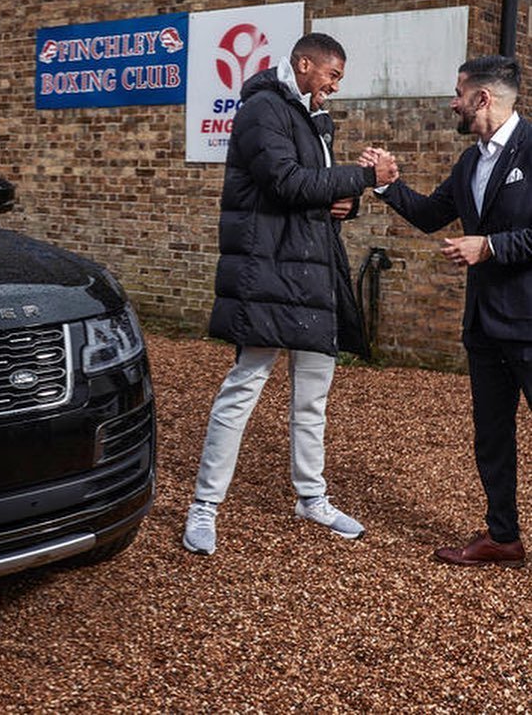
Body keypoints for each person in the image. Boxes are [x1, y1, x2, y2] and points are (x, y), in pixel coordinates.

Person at [183, 32, 399, 555]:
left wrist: (350, 202)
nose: (335, 87)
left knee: (313, 396)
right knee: (244, 387)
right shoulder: (263, 109)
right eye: (332, 75)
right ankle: (204, 506)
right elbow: (285, 183)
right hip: (269, 272)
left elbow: (317, 193)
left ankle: (312, 497)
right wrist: (363, 176)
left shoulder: (314, 116)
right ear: (304, 64)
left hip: (313, 271)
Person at [365, 55, 532, 567]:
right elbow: (431, 215)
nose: (452, 103)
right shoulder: (469, 163)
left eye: (459, 93)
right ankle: (502, 538)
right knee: (492, 437)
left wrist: (492, 246)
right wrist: (388, 184)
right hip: (483, 326)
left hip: (529, 324)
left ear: (483, 98)